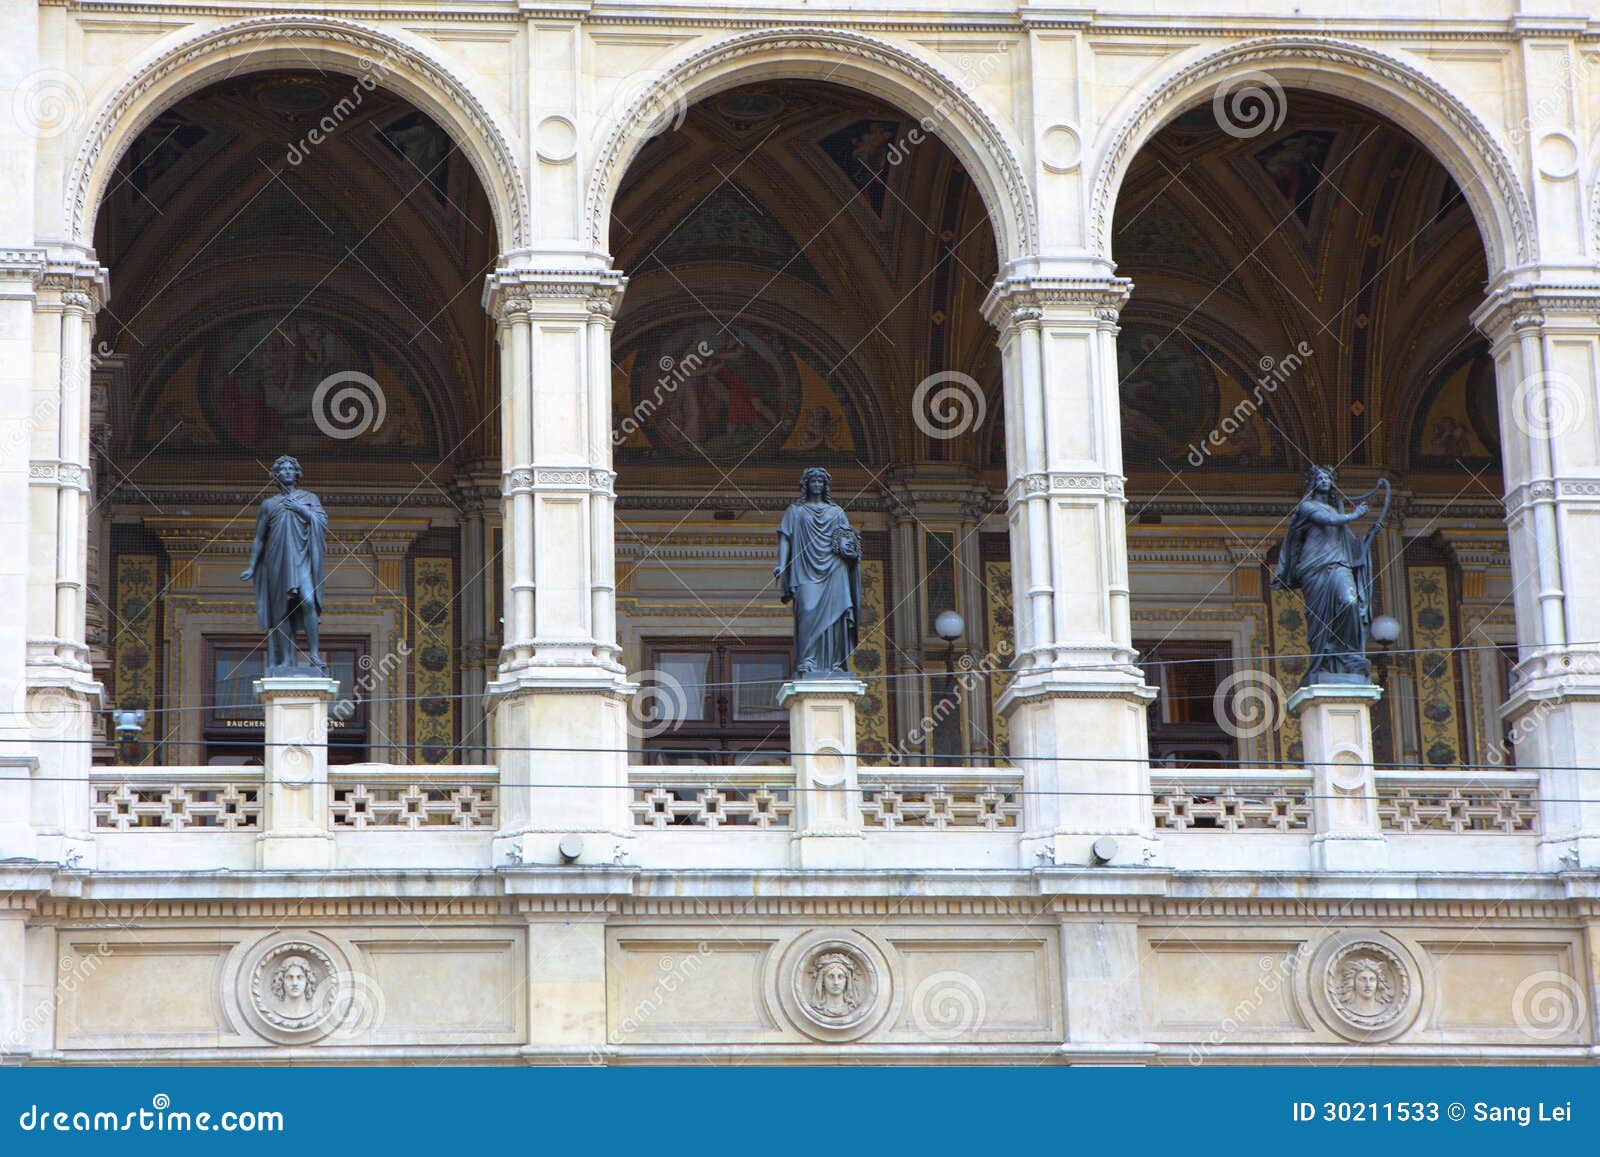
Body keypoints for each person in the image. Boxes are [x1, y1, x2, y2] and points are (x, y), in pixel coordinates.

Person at [1273, 466, 1388, 684]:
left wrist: (1370, 534)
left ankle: (1346, 655)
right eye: (1320, 477)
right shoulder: (1307, 507)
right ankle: (1323, 660)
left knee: (1349, 602)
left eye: (1328, 478)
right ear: (1313, 482)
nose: (1325, 480)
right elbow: (1328, 520)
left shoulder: (1336, 511)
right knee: (1319, 618)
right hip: (1313, 568)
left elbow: (1350, 544)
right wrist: (1355, 515)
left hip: (1339, 565)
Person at [241, 455, 329, 674]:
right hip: (277, 559)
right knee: (281, 610)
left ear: (298, 474)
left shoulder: (309, 498)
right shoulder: (269, 504)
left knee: (307, 602)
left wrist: (302, 511)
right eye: (283, 469)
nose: (288, 472)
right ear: (275, 475)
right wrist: (252, 566)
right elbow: (259, 537)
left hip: (302, 557)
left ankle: (314, 654)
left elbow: (322, 523)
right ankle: (286, 660)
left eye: (291, 468)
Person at [774, 467, 862, 678]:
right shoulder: (795, 511)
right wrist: (782, 564)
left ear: (825, 486)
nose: (817, 485)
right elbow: (786, 537)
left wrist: (851, 552)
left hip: (835, 567)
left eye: (821, 482)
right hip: (805, 567)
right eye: (813, 481)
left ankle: (834, 662)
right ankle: (806, 661)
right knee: (808, 609)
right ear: (806, 484)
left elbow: (848, 540)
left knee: (836, 615)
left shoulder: (837, 512)